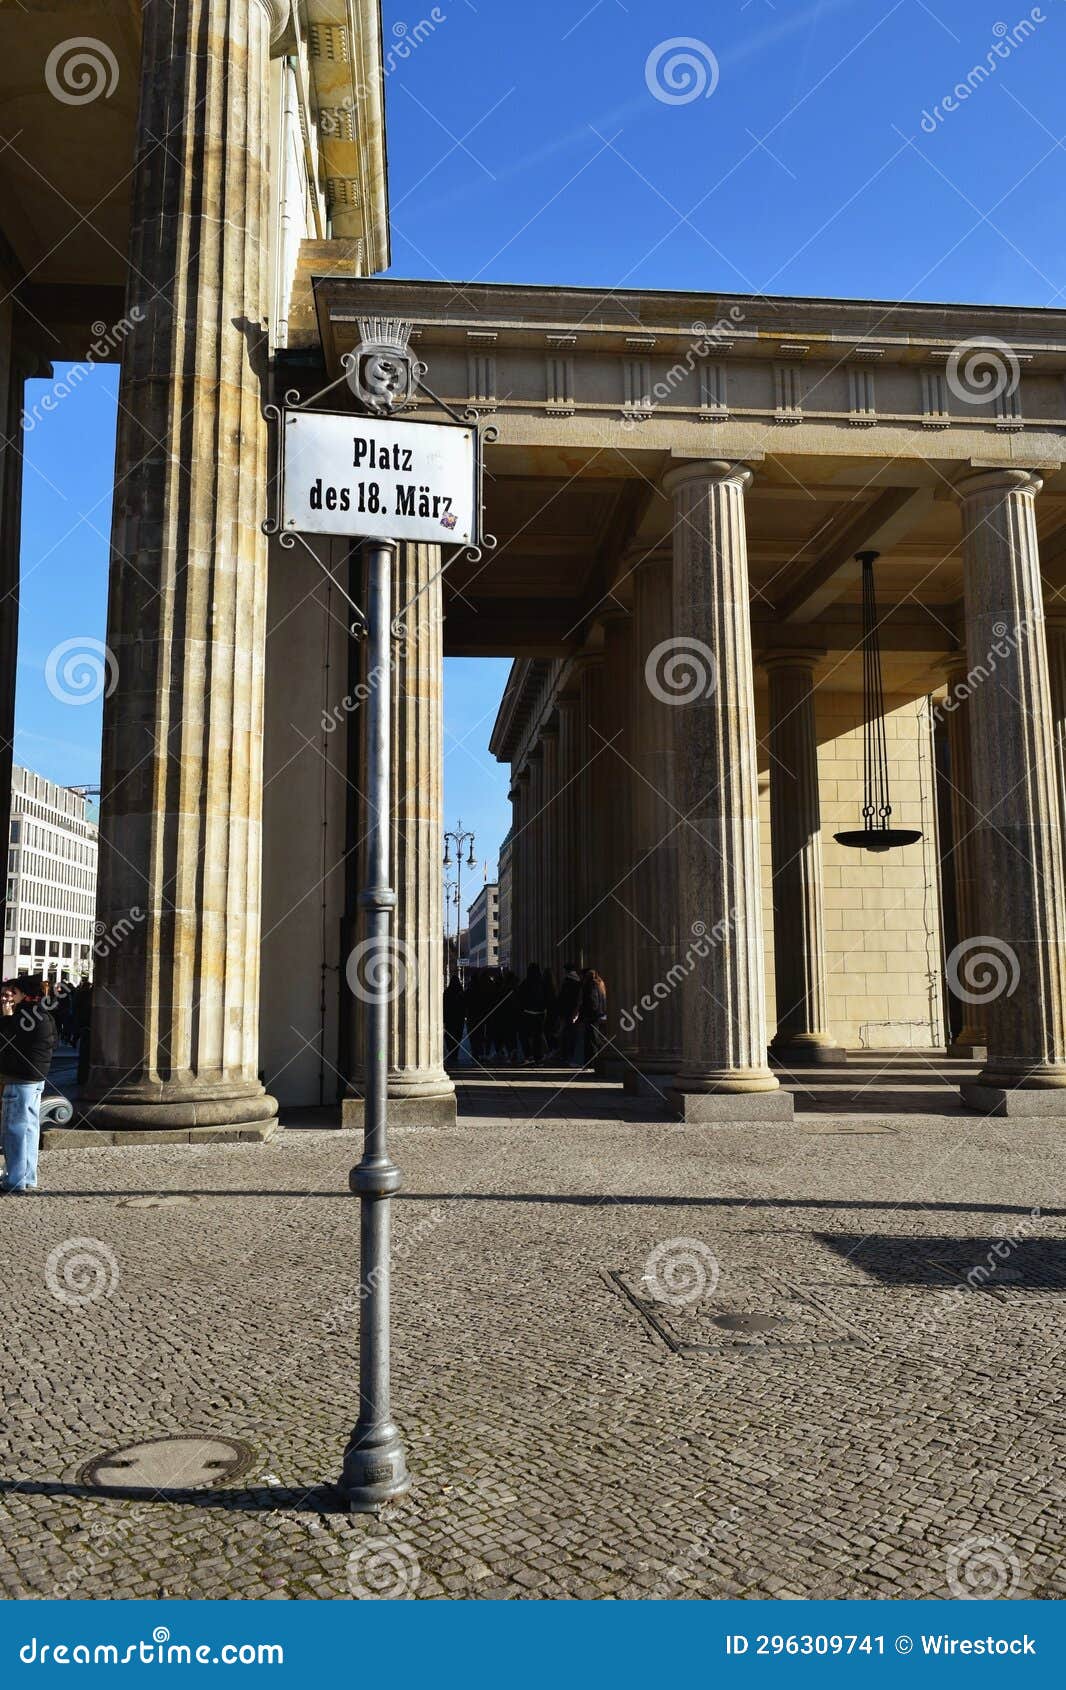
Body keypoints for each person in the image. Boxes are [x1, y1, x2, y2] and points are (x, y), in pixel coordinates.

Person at [0, 976, 57, 1195]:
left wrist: (6, 1018)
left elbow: (5, 1041)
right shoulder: (45, 1014)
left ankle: (15, 1179)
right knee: (30, 1129)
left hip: (20, 1078)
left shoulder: (23, 1015)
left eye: (15, 992)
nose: (11, 996)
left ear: (24, 994)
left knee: (15, 1130)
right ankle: (27, 1176)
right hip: (36, 1078)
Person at [517, 963, 547, 1065]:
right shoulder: (543, 982)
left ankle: (529, 1056)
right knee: (538, 1036)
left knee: (524, 1035)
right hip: (540, 1013)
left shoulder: (526, 982)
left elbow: (520, 996)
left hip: (528, 1013)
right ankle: (539, 1057)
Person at [579, 968, 608, 1068]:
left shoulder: (590, 985)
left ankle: (591, 1062)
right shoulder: (601, 984)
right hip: (600, 1014)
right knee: (595, 1038)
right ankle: (595, 1061)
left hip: (592, 1016)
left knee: (591, 1039)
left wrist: (584, 1015)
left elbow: (591, 1001)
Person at [556, 963, 583, 1066]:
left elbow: (562, 999)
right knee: (571, 1033)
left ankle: (567, 1055)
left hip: (568, 1012)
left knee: (567, 1034)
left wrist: (560, 1012)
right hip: (573, 1011)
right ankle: (568, 1055)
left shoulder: (567, 982)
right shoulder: (578, 982)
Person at [443, 971, 465, 1068]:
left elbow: (444, 1005)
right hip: (458, 1018)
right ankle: (454, 1053)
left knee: (449, 1036)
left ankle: (452, 1051)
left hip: (450, 1018)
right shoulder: (461, 992)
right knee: (457, 1036)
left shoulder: (447, 992)